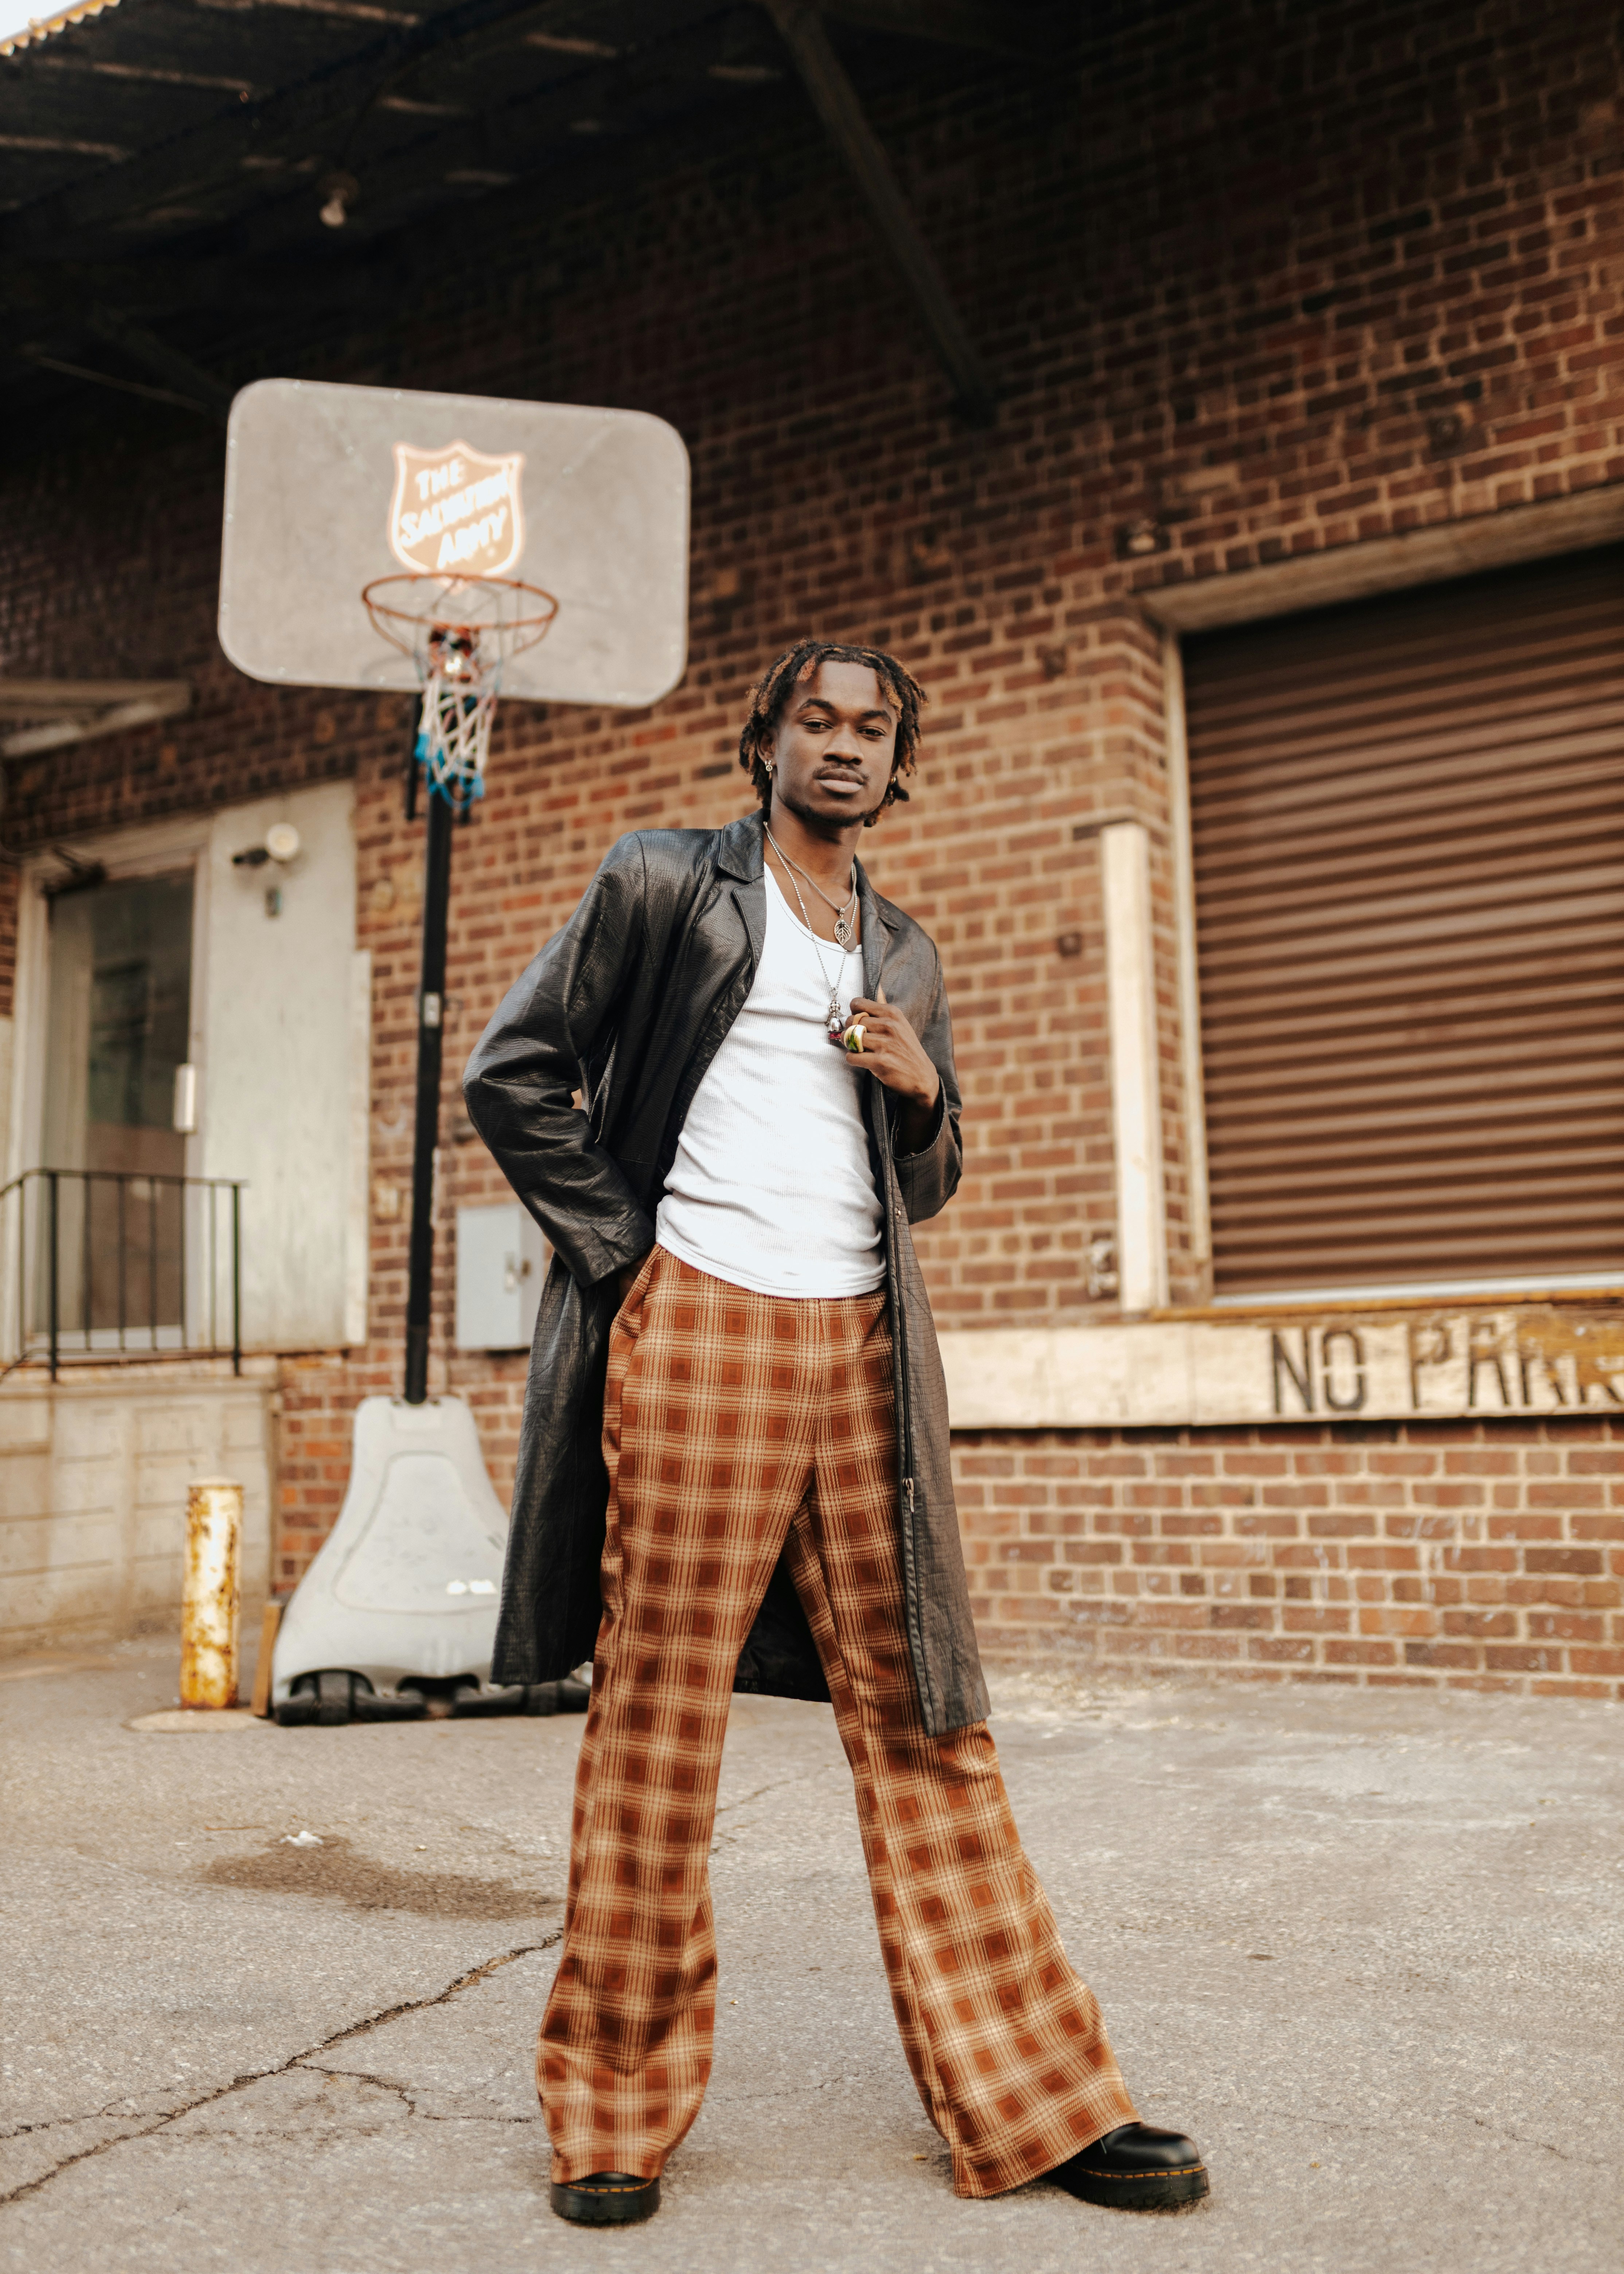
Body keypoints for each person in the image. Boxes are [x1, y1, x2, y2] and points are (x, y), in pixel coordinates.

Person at [462, 639, 1208, 2227]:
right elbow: (513, 1072)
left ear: (898, 760)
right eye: (820, 718)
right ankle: (608, 2110)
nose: (847, 746)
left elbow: (917, 1184)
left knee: (933, 1722)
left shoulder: (905, 948)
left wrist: (929, 1096)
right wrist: (633, 1264)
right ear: (767, 740)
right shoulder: (665, 882)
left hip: (866, 1354)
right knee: (660, 1724)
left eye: (875, 729)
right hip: (705, 1330)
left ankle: (1039, 2103)